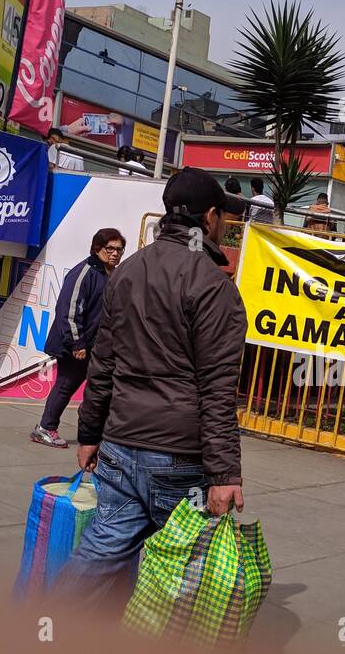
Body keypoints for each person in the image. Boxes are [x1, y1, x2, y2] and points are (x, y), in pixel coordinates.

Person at [56, 168, 248, 605]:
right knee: (180, 569)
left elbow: (103, 363)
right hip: (178, 457)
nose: (225, 226)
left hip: (121, 444)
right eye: (224, 217)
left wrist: (89, 434)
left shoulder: (126, 273)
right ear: (211, 217)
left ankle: (41, 628)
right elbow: (218, 388)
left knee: (104, 547)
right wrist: (224, 474)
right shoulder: (212, 287)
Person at [31, 228, 126, 448]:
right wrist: (77, 343)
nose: (114, 253)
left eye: (119, 250)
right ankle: (45, 428)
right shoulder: (84, 272)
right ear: (97, 248)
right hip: (75, 345)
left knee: (99, 388)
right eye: (109, 248)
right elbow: (69, 311)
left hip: (95, 345)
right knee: (65, 385)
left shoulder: (109, 274)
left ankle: (100, 434)